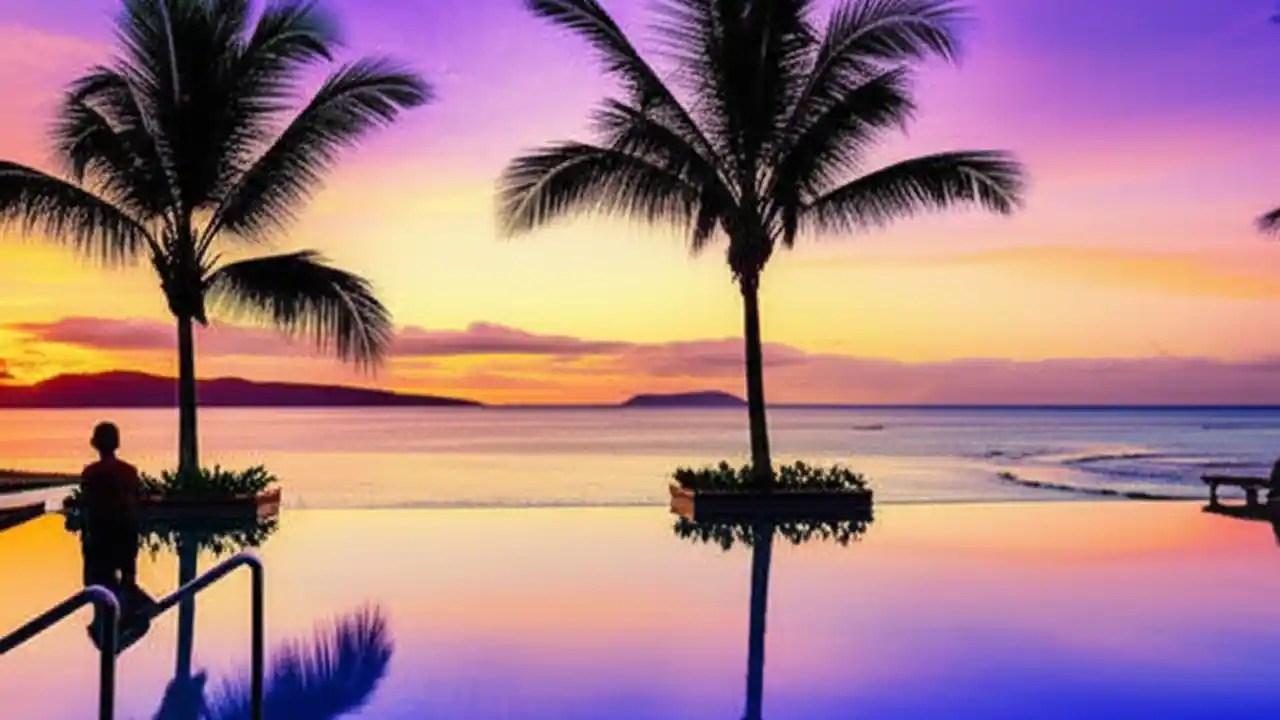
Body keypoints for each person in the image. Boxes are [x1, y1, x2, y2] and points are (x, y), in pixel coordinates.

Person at [80, 422, 142, 591]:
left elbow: (88, 507)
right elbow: (136, 501)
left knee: (98, 590)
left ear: (95, 444)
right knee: (127, 585)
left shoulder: (90, 473)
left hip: (99, 541)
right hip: (125, 539)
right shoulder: (129, 471)